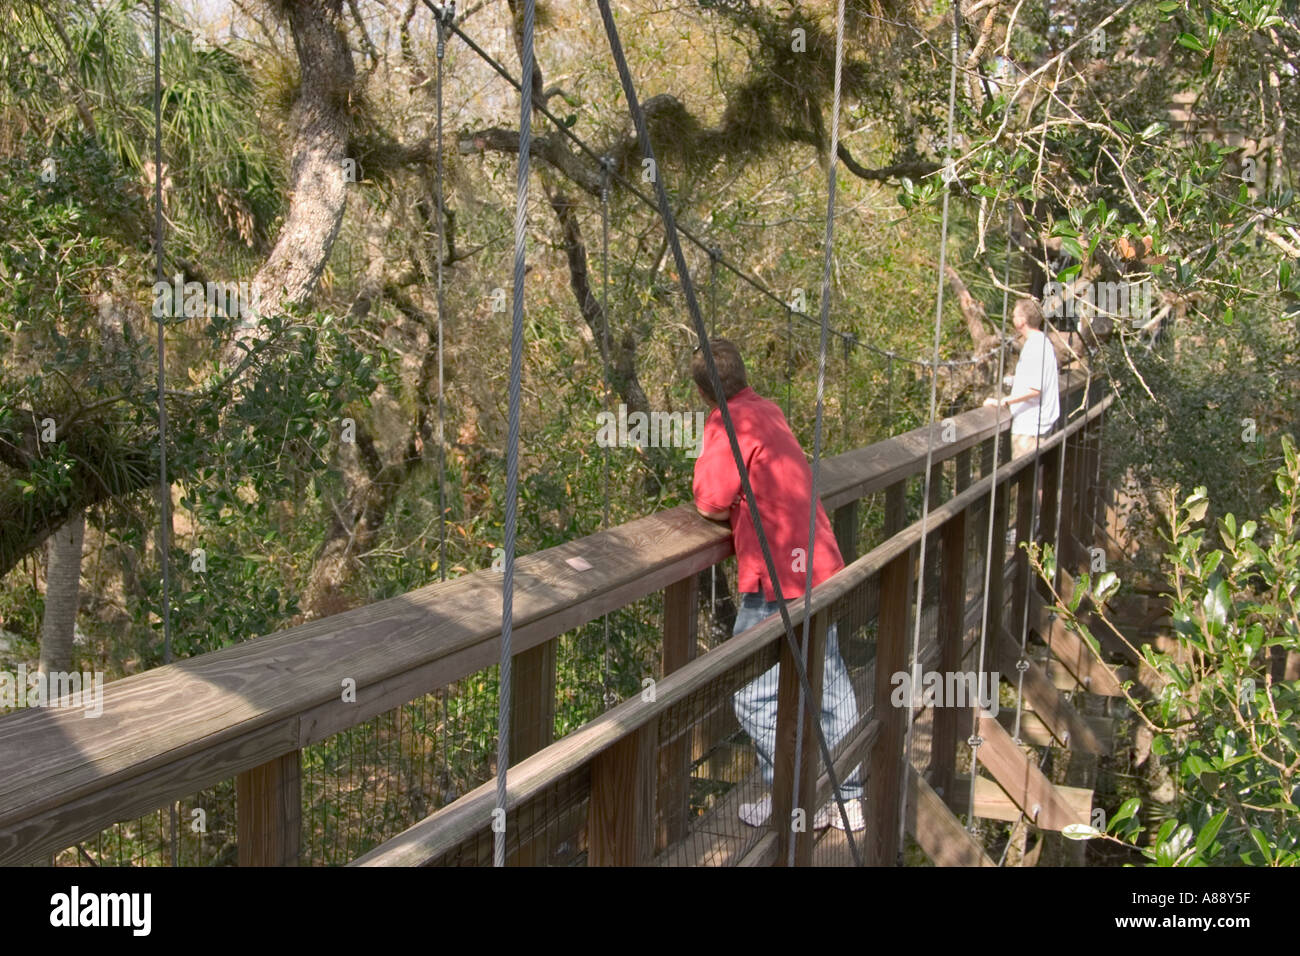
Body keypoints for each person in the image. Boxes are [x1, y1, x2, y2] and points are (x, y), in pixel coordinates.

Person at [690, 338, 864, 831]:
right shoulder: (768, 409)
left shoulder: (730, 422)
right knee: (826, 682)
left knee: (751, 693)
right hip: (818, 560)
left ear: (704, 393)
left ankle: (792, 797)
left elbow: (709, 501)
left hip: (778, 578)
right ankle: (846, 798)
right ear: (742, 376)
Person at [985, 298, 1059, 460]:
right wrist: (1014, 380)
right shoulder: (1042, 342)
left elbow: (1034, 389)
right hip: (1037, 425)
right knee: (1033, 480)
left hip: (1030, 427)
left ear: (1022, 320)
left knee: (1026, 481)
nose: (1012, 319)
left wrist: (1004, 401)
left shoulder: (1035, 346)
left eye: (1014, 316)